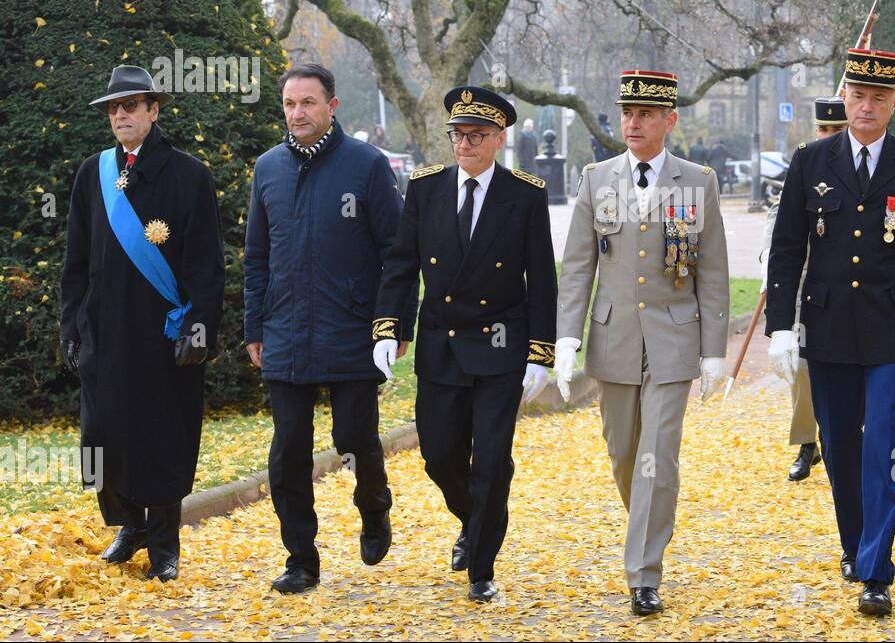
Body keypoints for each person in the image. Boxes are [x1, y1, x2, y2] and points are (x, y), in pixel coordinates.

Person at [765, 47, 895, 617]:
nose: (867, 106)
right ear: (844, 97)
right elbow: (786, 250)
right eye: (858, 95)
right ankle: (855, 546)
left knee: (884, 443)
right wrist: (782, 327)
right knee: (841, 445)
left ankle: (878, 569)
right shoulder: (811, 161)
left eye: (879, 98)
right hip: (828, 328)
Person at [371, 85, 556, 603]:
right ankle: (475, 518)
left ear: (498, 139)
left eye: (477, 135)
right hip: (440, 346)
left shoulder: (525, 194)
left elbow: (541, 279)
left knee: (491, 461)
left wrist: (541, 351)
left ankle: (481, 563)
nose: (465, 144)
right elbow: (401, 266)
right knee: (438, 454)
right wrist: (388, 327)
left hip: (500, 347)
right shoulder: (426, 188)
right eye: (459, 134)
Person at [554, 69, 729, 616]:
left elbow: (714, 270)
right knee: (624, 453)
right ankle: (648, 526)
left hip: (674, 341)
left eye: (646, 114)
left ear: (669, 120)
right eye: (628, 113)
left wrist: (715, 349)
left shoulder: (698, 182)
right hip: (614, 338)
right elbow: (579, 266)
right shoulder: (596, 179)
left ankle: (643, 573)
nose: (633, 123)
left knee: (658, 456)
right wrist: (565, 337)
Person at [244, 64, 415, 594]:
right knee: (288, 450)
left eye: (308, 103)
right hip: (286, 331)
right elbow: (256, 256)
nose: (298, 113)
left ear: (332, 105)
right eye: (290, 104)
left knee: (354, 437)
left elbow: (398, 253)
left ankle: (374, 504)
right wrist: (255, 327)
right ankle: (301, 559)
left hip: (352, 330)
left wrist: (393, 325)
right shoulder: (268, 169)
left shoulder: (366, 166)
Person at [60, 65, 225, 582]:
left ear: (154, 110)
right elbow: (76, 261)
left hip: (162, 335)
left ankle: (164, 541)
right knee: (100, 439)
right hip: (103, 335)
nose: (121, 115)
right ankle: (127, 525)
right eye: (114, 107)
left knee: (162, 436)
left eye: (131, 105)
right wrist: (70, 327)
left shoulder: (190, 175)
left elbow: (206, 264)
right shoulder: (94, 173)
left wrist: (199, 327)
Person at [759, 98, 849, 482]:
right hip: (804, 286)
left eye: (836, 130)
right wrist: (769, 263)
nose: (827, 136)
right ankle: (807, 443)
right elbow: (778, 219)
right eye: (823, 129)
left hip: (847, 289)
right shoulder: (805, 163)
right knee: (802, 369)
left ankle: (840, 438)